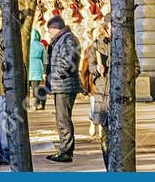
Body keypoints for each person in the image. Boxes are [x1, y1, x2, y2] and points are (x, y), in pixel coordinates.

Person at [43, 14, 81, 163]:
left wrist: (53, 76)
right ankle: (64, 149)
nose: (49, 33)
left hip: (65, 84)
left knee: (63, 119)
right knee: (61, 118)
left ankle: (66, 151)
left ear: (55, 28)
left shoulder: (68, 39)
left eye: (49, 30)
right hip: (60, 84)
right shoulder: (61, 39)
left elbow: (67, 64)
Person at [82, 26, 111, 167]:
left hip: (120, 96)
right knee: (105, 134)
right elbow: (90, 66)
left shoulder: (125, 42)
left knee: (121, 135)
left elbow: (136, 68)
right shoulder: (97, 45)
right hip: (101, 92)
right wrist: (97, 70)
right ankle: (108, 165)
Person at [28, 27, 47, 109]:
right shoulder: (41, 45)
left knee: (29, 88)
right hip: (38, 67)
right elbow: (44, 58)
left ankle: (32, 104)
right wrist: (44, 72)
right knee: (37, 87)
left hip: (29, 67)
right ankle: (39, 103)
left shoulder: (27, 44)